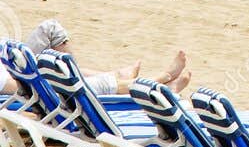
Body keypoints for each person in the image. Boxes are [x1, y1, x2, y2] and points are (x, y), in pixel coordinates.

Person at [0, 19, 190, 99]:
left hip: (16, 68)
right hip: (35, 88)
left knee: (51, 29)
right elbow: (23, 90)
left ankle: (117, 76)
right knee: (92, 85)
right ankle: (161, 82)